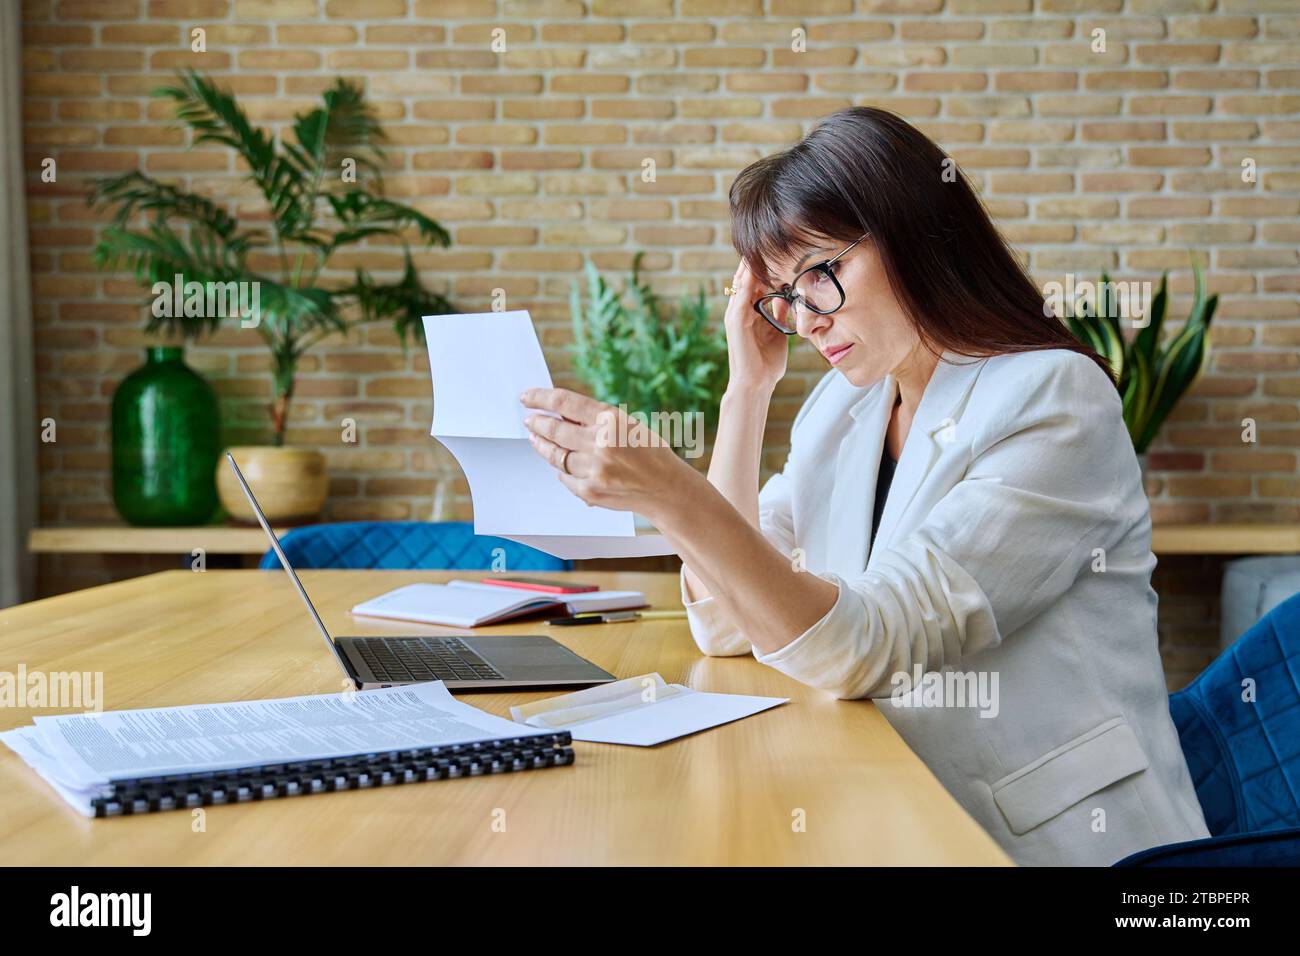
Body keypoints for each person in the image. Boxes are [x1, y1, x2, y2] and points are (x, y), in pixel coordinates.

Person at [520, 107, 1209, 866]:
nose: (806, 319)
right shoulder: (847, 405)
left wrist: (671, 495)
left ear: (914, 232)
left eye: (822, 273)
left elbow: (870, 645)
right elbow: (726, 622)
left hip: (1051, 841)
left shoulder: (1053, 398)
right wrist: (744, 392)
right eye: (783, 294)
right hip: (892, 804)